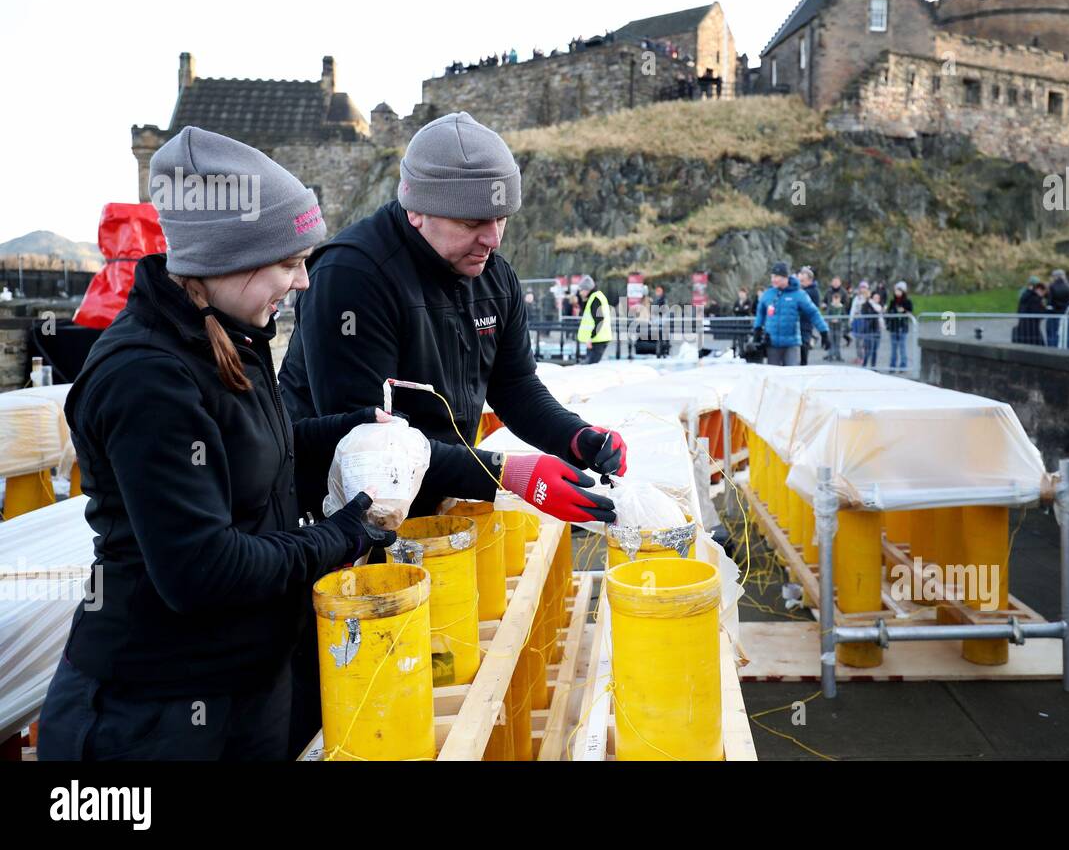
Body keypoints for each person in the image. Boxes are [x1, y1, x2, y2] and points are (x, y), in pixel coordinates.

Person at [37, 127, 395, 761]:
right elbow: (201, 568)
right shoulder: (145, 376)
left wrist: (350, 428)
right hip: (155, 714)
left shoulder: (234, 331)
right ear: (225, 258)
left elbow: (258, 455)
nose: (306, 282)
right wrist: (346, 534)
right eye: (289, 262)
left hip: (247, 687)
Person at [277, 112, 627, 754]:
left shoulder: (491, 274)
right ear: (417, 210)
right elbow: (369, 454)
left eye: (500, 221)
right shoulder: (352, 276)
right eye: (473, 222)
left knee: (445, 675)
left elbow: (515, 386)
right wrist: (509, 475)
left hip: (438, 499)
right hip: (336, 516)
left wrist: (576, 438)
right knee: (349, 700)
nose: (492, 238)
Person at [753, 261, 828, 366]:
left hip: (791, 344)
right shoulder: (768, 294)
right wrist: (757, 329)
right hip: (772, 343)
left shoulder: (799, 294)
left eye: (776, 276)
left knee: (791, 375)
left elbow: (813, 313)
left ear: (785, 278)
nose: (773, 280)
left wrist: (824, 331)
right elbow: (760, 313)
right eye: (772, 276)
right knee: (773, 375)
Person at [576, 275, 611, 363]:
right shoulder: (596, 297)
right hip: (597, 339)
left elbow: (599, 320)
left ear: (587, 289)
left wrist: (591, 338)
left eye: (581, 290)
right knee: (589, 368)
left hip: (597, 340)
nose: (580, 293)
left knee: (590, 368)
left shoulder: (595, 299)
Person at [851, 284, 885, 368]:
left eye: (878, 298)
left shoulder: (879, 306)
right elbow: (865, 313)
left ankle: (873, 366)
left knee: (875, 350)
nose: (876, 299)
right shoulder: (866, 305)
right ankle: (864, 365)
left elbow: (880, 313)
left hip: (877, 329)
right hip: (869, 330)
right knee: (868, 350)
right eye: (875, 297)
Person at [1046, 268, 1069, 348]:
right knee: (1067, 334)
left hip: (1055, 314)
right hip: (1066, 314)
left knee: (1053, 335)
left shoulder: (1052, 287)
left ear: (1056, 277)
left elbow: (1050, 302)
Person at [885, 281, 914, 369]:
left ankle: (903, 365)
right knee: (894, 348)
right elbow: (889, 312)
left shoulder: (907, 301)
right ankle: (892, 365)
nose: (897, 292)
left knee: (902, 347)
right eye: (896, 291)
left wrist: (903, 310)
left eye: (899, 290)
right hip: (894, 327)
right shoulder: (893, 301)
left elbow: (910, 310)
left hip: (902, 327)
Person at [796, 266, 821, 365]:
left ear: (809, 279)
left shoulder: (811, 291)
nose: (800, 281)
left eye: (803, 279)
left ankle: (803, 365)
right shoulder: (805, 290)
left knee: (804, 346)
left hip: (805, 323)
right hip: (802, 323)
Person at [1014, 281, 1047, 345]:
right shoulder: (1035, 299)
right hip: (1032, 328)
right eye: (1043, 292)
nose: (1043, 295)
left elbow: (1019, 310)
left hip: (1023, 326)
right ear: (1039, 290)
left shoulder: (1026, 295)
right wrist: (1044, 309)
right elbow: (1038, 314)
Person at [824, 290, 846, 361]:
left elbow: (844, 317)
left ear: (840, 299)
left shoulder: (842, 307)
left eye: (837, 299)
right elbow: (827, 315)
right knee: (831, 341)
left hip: (839, 327)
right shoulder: (830, 307)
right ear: (833, 299)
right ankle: (830, 355)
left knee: (837, 342)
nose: (836, 300)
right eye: (835, 299)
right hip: (831, 326)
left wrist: (839, 320)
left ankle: (838, 356)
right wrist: (831, 320)